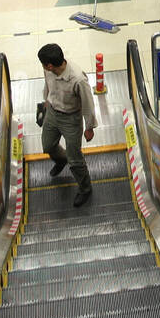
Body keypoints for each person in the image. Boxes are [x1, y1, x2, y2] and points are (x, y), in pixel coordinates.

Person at [38, 43, 96, 207]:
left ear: (49, 65)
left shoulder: (78, 79)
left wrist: (89, 127)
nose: (43, 67)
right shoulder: (49, 70)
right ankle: (60, 160)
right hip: (52, 113)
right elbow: (48, 86)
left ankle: (85, 188)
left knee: (75, 158)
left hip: (71, 119)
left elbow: (88, 104)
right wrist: (46, 102)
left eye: (43, 64)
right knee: (48, 145)